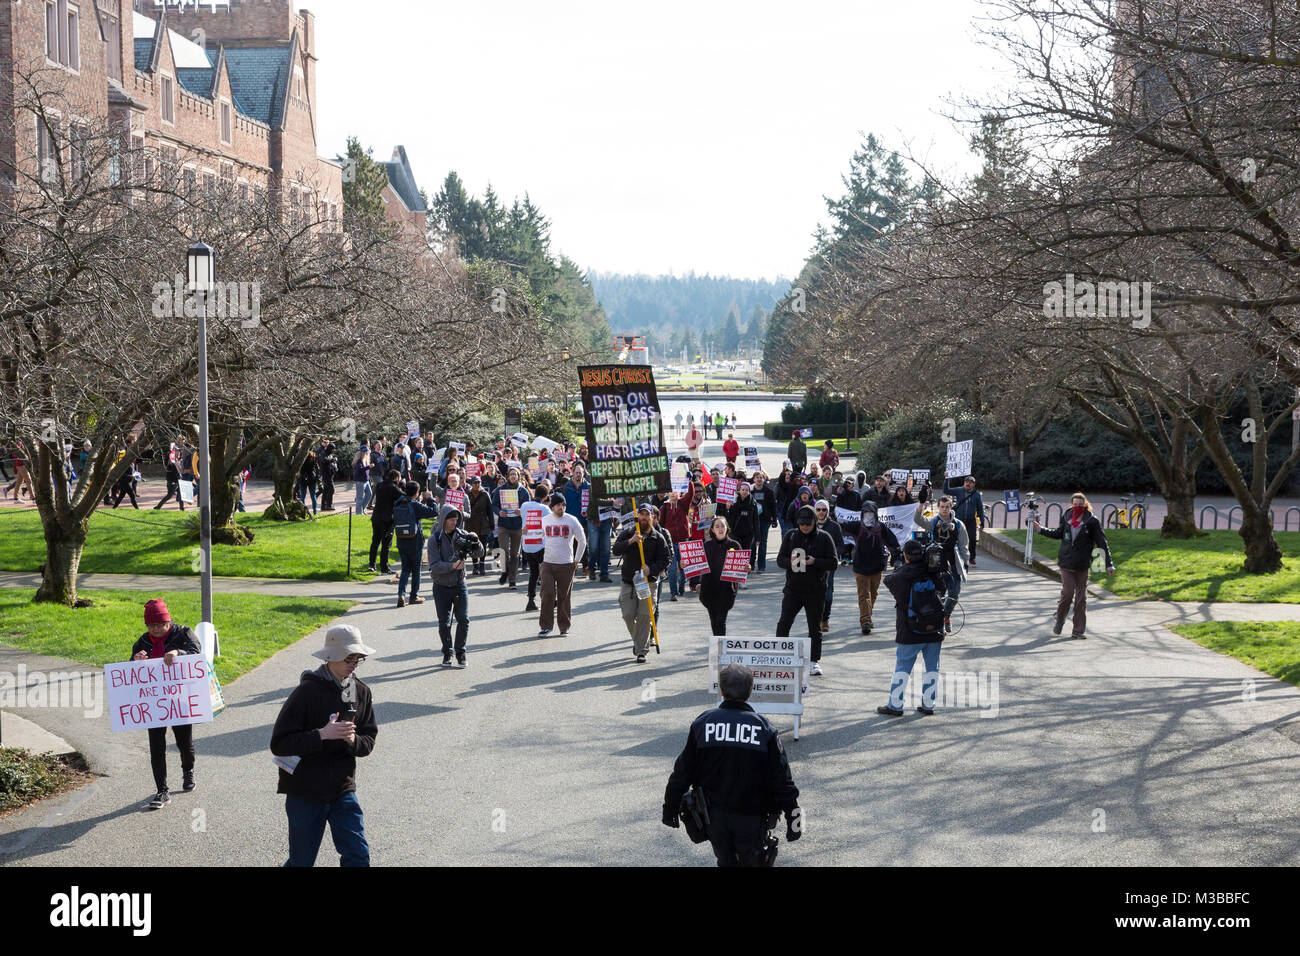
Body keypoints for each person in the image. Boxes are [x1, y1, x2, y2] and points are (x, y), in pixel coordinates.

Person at [662, 662, 801, 868]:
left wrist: (670, 808)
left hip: (714, 816)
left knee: (725, 861)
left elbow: (682, 772)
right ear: (751, 690)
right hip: (752, 817)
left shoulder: (703, 724)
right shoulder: (764, 729)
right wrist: (794, 820)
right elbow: (782, 780)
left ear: (721, 690)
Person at [269, 625, 378, 867]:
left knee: (358, 856)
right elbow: (279, 743)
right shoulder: (306, 692)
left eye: (358, 659)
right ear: (330, 657)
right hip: (305, 792)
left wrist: (352, 741)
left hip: (342, 789)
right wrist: (322, 735)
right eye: (349, 658)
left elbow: (368, 740)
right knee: (302, 862)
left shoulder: (360, 691)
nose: (354, 664)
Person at [130, 599, 201, 809]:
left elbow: (197, 653)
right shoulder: (143, 641)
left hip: (179, 700)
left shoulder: (183, 633)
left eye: (161, 625)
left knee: (184, 744)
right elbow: (129, 671)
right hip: (154, 703)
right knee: (157, 748)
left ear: (168, 621)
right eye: (152, 626)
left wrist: (178, 653)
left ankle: (188, 771)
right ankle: (161, 790)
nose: (157, 629)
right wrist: (135, 660)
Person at [877, 539, 949, 717]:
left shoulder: (903, 574)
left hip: (910, 630)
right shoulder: (932, 571)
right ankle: (928, 704)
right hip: (934, 630)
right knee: (933, 667)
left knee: (903, 667)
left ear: (906, 556)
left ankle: (895, 705)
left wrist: (901, 567)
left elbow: (888, 581)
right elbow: (943, 589)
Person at [1034, 492, 1116, 639]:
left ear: (1085, 505)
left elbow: (1101, 543)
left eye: (1080, 504)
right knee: (1067, 593)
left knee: (1081, 598)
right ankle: (1060, 619)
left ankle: (1078, 631)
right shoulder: (1066, 516)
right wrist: (1040, 529)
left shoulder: (1092, 521)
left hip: (1082, 564)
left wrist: (1109, 564)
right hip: (1066, 562)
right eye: (1075, 504)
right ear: (1072, 504)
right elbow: (1058, 533)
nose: (1078, 506)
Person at [775, 504, 837, 676]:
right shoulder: (791, 535)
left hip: (815, 590)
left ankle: (813, 661)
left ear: (814, 522)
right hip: (793, 589)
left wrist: (815, 561)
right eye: (802, 524)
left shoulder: (824, 537)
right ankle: (780, 656)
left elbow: (833, 563)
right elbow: (780, 559)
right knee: (784, 623)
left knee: (814, 627)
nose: (804, 527)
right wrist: (791, 562)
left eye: (808, 524)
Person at [612, 504, 670, 663]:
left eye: (647, 515)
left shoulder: (658, 537)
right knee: (628, 615)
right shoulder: (628, 533)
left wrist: (651, 569)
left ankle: (641, 651)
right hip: (629, 583)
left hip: (648, 583)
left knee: (645, 616)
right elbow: (615, 549)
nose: (644, 517)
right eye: (641, 514)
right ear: (637, 517)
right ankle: (639, 642)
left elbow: (666, 559)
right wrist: (631, 541)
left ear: (652, 517)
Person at [913, 495, 970, 633]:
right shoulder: (933, 522)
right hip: (935, 563)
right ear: (939, 507)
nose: (945, 509)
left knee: (954, 594)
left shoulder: (958, 524)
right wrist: (921, 504)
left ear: (951, 507)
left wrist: (965, 563)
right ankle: (939, 621)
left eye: (947, 507)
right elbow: (918, 519)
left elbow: (964, 546)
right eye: (942, 507)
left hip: (953, 562)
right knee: (938, 594)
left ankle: (946, 615)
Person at [429, 505, 475, 667]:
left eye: (456, 520)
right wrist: (452, 566)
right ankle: (447, 652)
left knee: (464, 619)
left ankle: (461, 652)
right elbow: (434, 565)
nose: (454, 523)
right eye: (451, 520)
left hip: (459, 584)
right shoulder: (434, 539)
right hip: (441, 586)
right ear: (443, 520)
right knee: (444, 622)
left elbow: (479, 553)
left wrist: (475, 542)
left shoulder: (462, 535)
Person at [538, 493, 588, 637]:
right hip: (547, 563)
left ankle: (564, 626)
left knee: (564, 597)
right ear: (552, 506)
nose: (562, 507)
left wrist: (577, 560)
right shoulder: (545, 520)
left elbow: (582, 540)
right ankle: (546, 626)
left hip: (566, 563)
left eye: (563, 505)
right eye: (559, 505)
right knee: (547, 593)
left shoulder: (572, 520)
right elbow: (537, 538)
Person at [853, 502, 901, 635]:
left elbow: (893, 542)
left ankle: (867, 614)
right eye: (866, 512)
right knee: (864, 595)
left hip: (876, 566)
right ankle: (865, 621)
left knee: (873, 594)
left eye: (871, 513)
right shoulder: (857, 526)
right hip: (860, 567)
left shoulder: (881, 528)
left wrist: (897, 557)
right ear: (862, 514)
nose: (868, 515)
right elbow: (839, 528)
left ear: (875, 514)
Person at [393, 481, 440, 607]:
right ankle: (414, 596)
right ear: (417, 493)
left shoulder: (397, 503)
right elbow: (434, 512)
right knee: (416, 570)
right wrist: (430, 500)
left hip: (401, 539)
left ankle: (401, 594)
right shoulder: (414, 505)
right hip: (415, 540)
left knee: (405, 569)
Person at [699, 516, 741, 635]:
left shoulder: (735, 545)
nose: (720, 528)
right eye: (717, 526)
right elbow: (697, 566)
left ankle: (720, 648)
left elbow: (741, 567)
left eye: (722, 525)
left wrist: (747, 568)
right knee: (714, 621)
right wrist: (685, 564)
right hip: (709, 590)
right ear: (712, 530)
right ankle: (717, 647)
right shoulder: (706, 546)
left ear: (727, 527)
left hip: (726, 590)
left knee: (721, 621)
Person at [491, 467, 528, 591]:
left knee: (515, 554)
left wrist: (521, 510)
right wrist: (499, 511)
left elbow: (527, 507)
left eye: (515, 474)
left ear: (518, 476)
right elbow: (494, 505)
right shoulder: (500, 490)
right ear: (508, 476)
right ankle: (504, 571)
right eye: (511, 474)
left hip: (517, 526)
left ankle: (512, 580)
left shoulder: (523, 491)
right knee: (504, 551)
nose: (513, 476)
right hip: (504, 525)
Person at [660, 482, 697, 601]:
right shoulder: (664, 507)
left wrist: (689, 480)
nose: (673, 493)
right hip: (670, 543)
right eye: (671, 491)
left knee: (684, 568)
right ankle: (673, 593)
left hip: (683, 542)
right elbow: (660, 526)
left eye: (675, 491)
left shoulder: (683, 503)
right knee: (672, 570)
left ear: (679, 492)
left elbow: (691, 493)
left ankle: (682, 585)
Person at [812, 499, 845, 633]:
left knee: (828, 595)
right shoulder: (810, 524)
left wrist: (832, 556)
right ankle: (815, 620)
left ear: (828, 511)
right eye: (818, 509)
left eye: (823, 509)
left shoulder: (834, 526)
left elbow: (840, 546)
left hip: (827, 566)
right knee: (813, 595)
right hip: (812, 565)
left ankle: (825, 619)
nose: (821, 512)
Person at [521, 482, 551, 612]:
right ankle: (550, 600)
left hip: (527, 545)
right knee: (547, 574)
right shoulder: (545, 509)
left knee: (533, 574)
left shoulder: (524, 506)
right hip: (540, 545)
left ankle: (531, 601)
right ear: (546, 496)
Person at [367, 469, 403, 576]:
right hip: (387, 518)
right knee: (386, 544)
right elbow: (403, 496)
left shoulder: (379, 485)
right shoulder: (393, 487)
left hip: (376, 516)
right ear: (397, 478)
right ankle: (384, 567)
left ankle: (371, 565)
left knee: (375, 541)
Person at [721, 481, 757, 588]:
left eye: (746, 490)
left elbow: (756, 520)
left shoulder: (752, 502)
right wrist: (727, 509)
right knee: (736, 555)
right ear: (739, 490)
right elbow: (727, 518)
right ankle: (734, 577)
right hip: (735, 533)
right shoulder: (733, 501)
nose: (744, 491)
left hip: (748, 534)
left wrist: (758, 536)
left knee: (745, 557)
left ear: (749, 491)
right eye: (743, 489)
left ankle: (742, 579)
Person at [946, 475, 984, 568]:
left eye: (970, 482)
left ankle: (972, 558)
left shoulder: (977, 495)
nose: (968, 484)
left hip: (971, 521)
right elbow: (946, 490)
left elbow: (980, 509)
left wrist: (982, 522)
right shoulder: (959, 490)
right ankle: (954, 557)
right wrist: (947, 479)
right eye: (966, 482)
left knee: (972, 539)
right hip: (959, 520)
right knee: (955, 538)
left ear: (973, 485)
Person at [462, 475, 494, 576]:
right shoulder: (467, 494)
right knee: (472, 545)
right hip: (470, 523)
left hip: (483, 522)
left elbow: (490, 510)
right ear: (471, 484)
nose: (477, 485)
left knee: (483, 545)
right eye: (475, 483)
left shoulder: (485, 494)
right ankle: (475, 565)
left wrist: (492, 524)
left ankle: (482, 565)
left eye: (478, 483)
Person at [750, 472, 778, 573]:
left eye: (761, 477)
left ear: (764, 479)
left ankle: (761, 566)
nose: (759, 479)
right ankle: (751, 565)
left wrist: (774, 520)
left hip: (764, 520)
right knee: (752, 544)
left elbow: (773, 507)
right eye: (757, 477)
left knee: (762, 544)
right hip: (752, 521)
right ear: (753, 479)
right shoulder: (750, 492)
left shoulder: (769, 492)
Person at [153, 447, 186, 511]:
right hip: (172, 482)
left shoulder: (177, 460)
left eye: (179, 451)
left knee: (181, 495)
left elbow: (180, 471)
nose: (179, 452)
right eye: (177, 451)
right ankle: (158, 507)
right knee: (169, 496)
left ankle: (182, 509)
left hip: (177, 481)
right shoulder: (171, 461)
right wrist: (172, 453)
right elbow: (169, 461)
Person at [352, 445, 373, 514]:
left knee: (369, 494)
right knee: (359, 498)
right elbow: (359, 469)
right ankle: (358, 513)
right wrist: (368, 467)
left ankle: (362, 509)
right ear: (363, 453)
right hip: (360, 481)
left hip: (366, 480)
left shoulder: (366, 460)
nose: (368, 453)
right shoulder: (359, 460)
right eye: (366, 452)